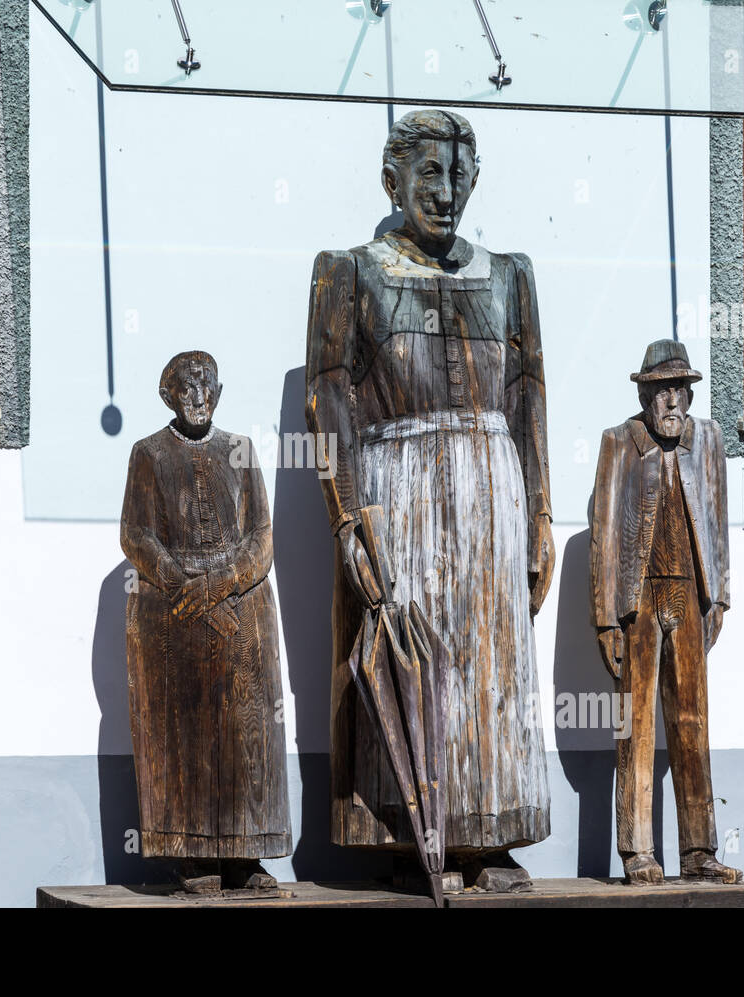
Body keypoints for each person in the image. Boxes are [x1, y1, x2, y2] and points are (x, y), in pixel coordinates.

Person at [305, 110, 554, 891]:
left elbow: (528, 396)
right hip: (399, 492)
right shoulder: (350, 271)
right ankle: (414, 834)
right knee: (418, 655)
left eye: (457, 176)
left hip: (493, 493)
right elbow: (328, 397)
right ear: (393, 181)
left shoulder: (511, 274)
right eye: (428, 175)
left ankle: (489, 834)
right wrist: (348, 513)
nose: (444, 193)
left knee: (492, 663)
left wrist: (542, 514)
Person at [120, 351, 291, 893]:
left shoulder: (240, 451)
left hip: (240, 607)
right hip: (176, 615)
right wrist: (178, 581)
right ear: (168, 395)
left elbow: (262, 534)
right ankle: (193, 856)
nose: (197, 396)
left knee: (247, 732)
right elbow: (135, 533)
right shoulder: (148, 454)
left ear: (219, 392)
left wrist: (225, 580)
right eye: (185, 387)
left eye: (205, 387)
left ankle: (248, 855)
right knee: (185, 732)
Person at [589, 339, 741, 885]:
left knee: (692, 721)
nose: (673, 402)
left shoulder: (709, 441)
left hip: (689, 596)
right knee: (636, 723)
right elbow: (604, 534)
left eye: (681, 389)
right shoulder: (618, 443)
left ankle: (699, 849)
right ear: (644, 393)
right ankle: (636, 850)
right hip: (639, 600)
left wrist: (719, 594)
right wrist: (606, 616)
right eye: (663, 391)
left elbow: (719, 520)